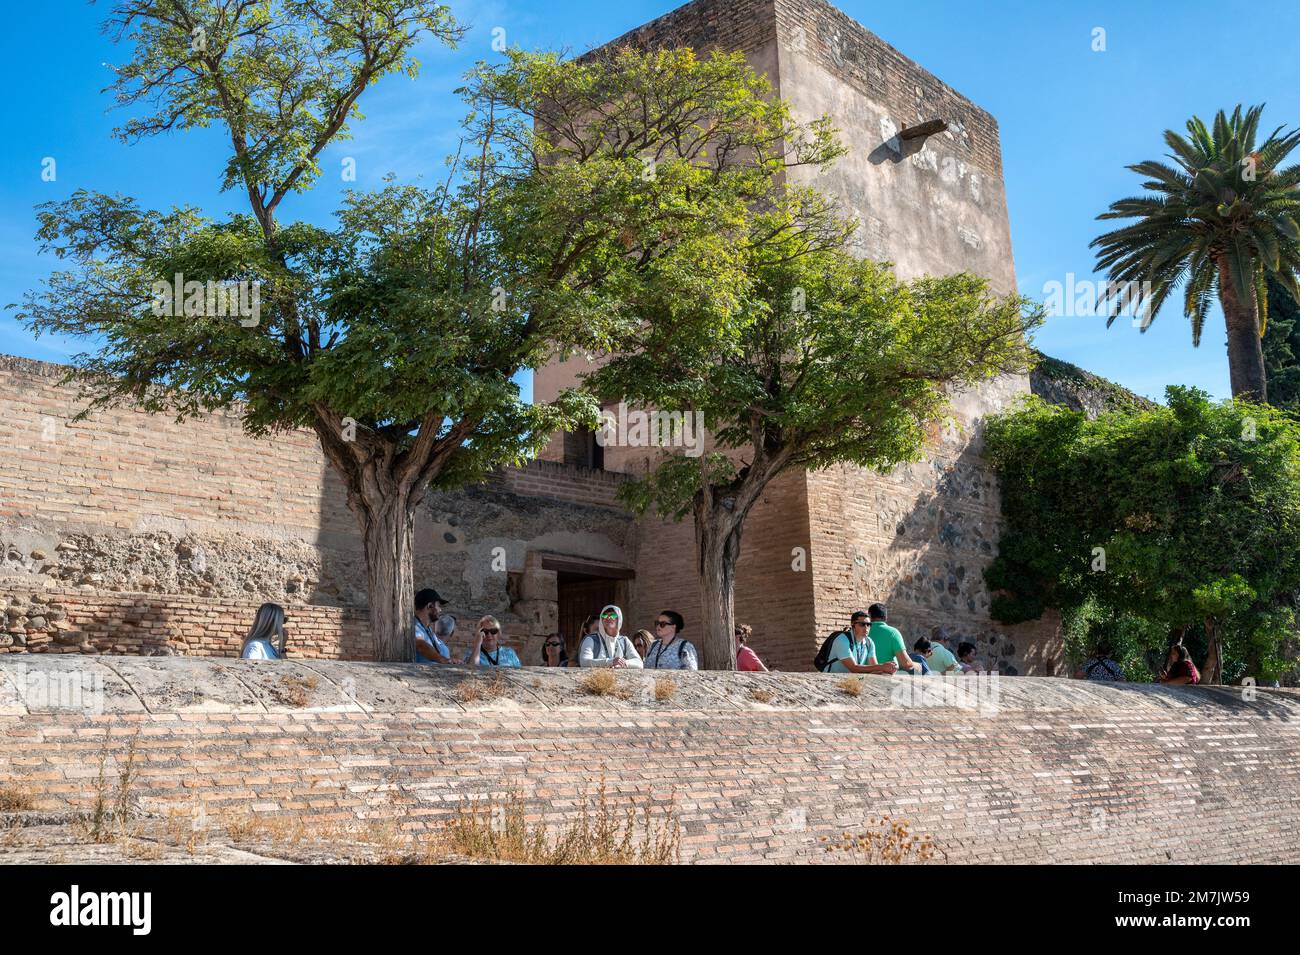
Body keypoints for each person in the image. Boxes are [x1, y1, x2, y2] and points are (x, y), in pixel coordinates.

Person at [826, 610, 897, 675]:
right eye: (862, 624)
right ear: (853, 625)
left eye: (868, 625)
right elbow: (854, 668)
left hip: (851, 680)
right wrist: (882, 667)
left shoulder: (869, 642)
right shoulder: (842, 640)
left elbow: (875, 668)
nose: (866, 628)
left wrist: (888, 669)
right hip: (830, 681)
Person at [579, 605, 643, 668]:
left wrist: (623, 663)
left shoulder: (624, 641)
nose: (608, 618)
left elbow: (639, 663)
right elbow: (584, 662)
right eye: (604, 615)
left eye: (613, 615)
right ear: (601, 619)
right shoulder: (590, 639)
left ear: (619, 619)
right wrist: (610, 662)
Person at [866, 604, 922, 675]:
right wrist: (918, 665)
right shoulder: (893, 633)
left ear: (869, 616)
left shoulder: (862, 631)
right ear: (886, 617)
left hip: (861, 676)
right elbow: (906, 663)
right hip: (885, 678)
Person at [414, 588, 454, 664]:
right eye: (438, 606)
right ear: (430, 606)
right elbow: (420, 644)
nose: (440, 610)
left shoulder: (428, 629)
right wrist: (442, 659)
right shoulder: (414, 625)